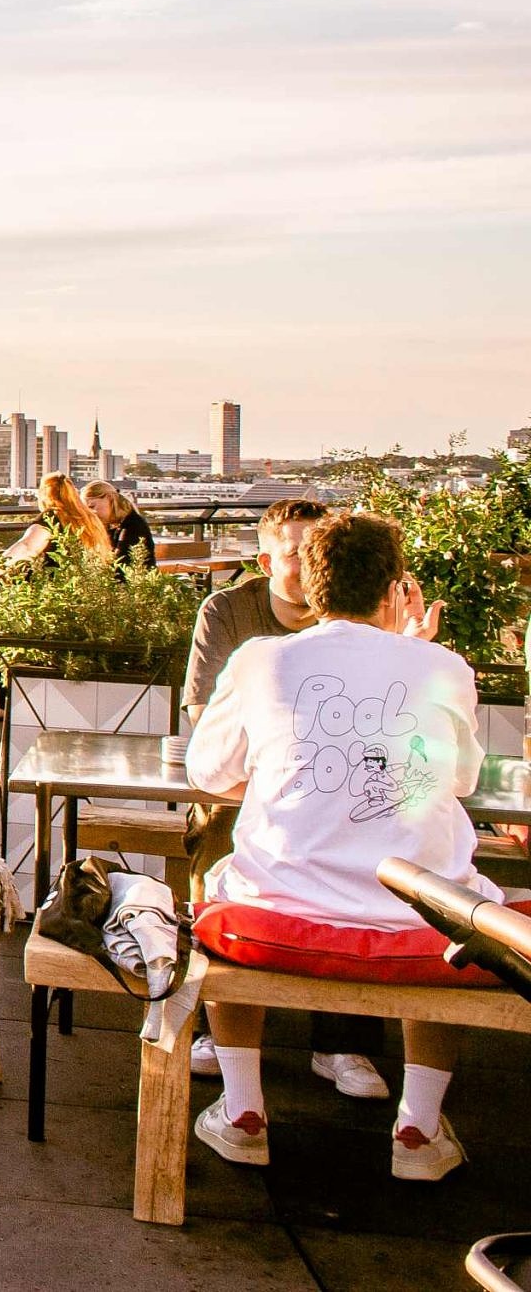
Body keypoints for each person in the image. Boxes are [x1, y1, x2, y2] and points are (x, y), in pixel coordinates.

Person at [185, 510, 490, 1182]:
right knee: (458, 901)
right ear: (393, 590)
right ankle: (418, 1126)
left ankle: (242, 1111)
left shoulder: (262, 658)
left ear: (314, 589)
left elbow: (206, 772)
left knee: (228, 883)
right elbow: (461, 777)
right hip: (415, 926)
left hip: (278, 917)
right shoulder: (444, 667)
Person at [182, 499, 390, 1098]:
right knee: (223, 827)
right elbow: (207, 731)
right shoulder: (229, 613)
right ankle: (219, 1025)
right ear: (265, 559)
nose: (312, 568)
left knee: (365, 827)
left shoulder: (361, 624)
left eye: (320, 555)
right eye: (299, 555)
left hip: (329, 795)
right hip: (245, 794)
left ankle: (342, 1039)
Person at [0, 473, 113, 570]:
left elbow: (27, 546)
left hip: (59, 586)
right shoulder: (90, 518)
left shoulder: (52, 517)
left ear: (44, 495)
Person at [82, 480, 157, 570]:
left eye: (92, 507)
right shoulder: (114, 525)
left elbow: (120, 566)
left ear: (109, 498)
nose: (91, 513)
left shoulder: (132, 525)